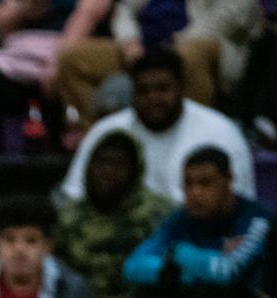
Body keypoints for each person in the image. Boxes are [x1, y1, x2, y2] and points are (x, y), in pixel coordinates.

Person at [124, 145, 273, 298]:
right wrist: (193, 259)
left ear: (229, 181)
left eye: (205, 183)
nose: (195, 193)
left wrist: (180, 255)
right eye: (188, 184)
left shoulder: (257, 219)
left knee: (214, 295)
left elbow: (228, 273)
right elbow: (133, 266)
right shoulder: (181, 221)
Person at [59, 48, 256, 205]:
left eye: (162, 89)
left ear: (182, 88)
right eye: (143, 90)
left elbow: (240, 204)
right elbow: (74, 196)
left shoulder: (221, 132)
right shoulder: (106, 132)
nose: (153, 98)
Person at [54, 0, 263, 130]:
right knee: (72, 59)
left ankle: (190, 139)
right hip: (145, 49)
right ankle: (102, 141)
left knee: (189, 55)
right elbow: (124, 10)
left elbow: (230, 19)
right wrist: (129, 41)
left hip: (203, 48)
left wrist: (172, 47)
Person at [54, 129, 175, 298]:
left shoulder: (159, 214)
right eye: (102, 163)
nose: (108, 172)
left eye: (120, 164)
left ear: (135, 171)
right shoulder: (69, 216)